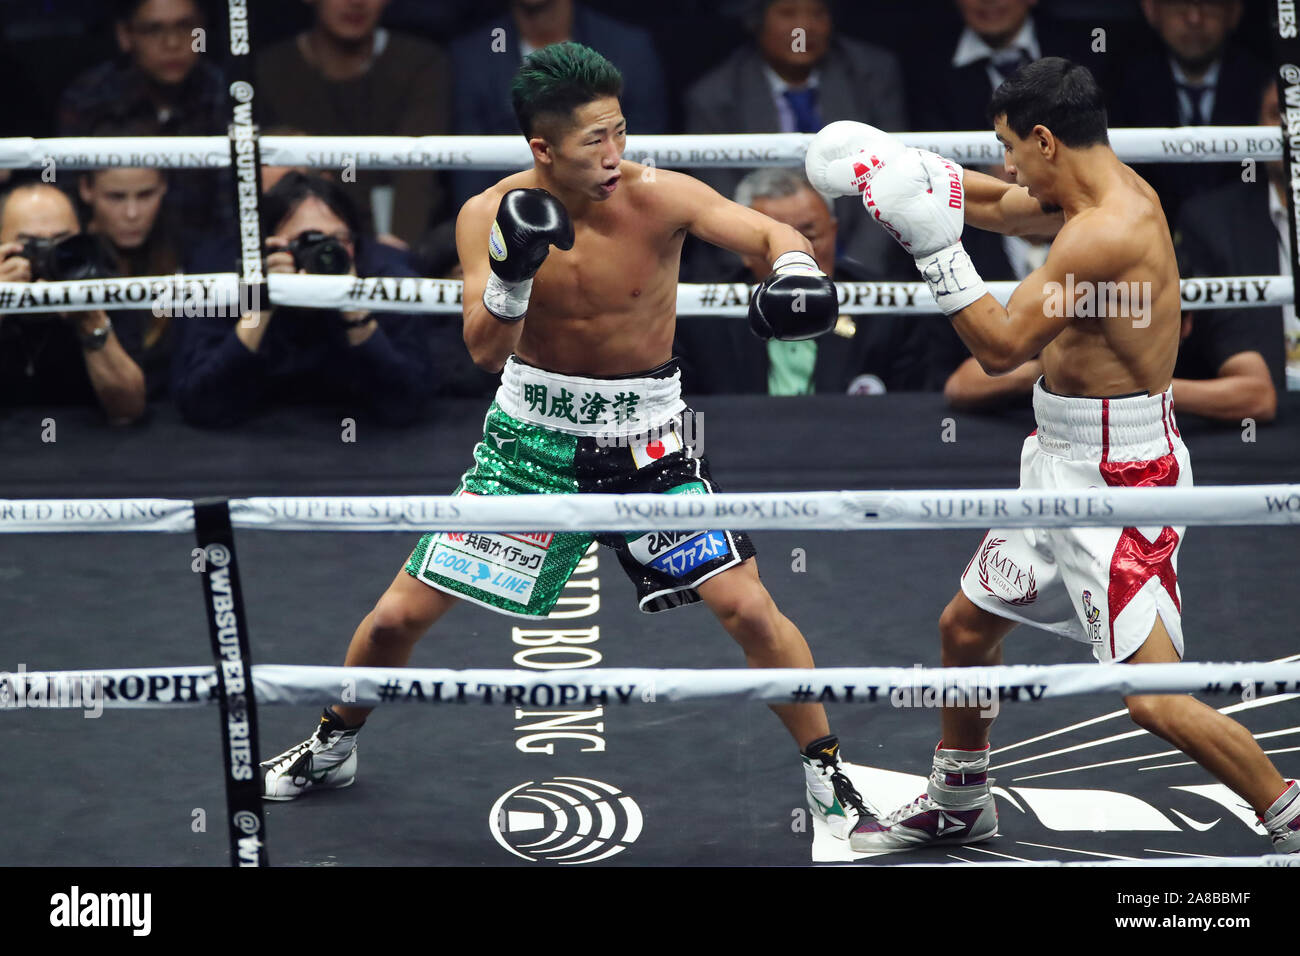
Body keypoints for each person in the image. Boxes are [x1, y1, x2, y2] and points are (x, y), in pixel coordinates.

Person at [260, 41, 875, 842]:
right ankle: (333, 744)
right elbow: (484, 352)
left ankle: (827, 772)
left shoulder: (661, 196)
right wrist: (513, 272)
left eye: (620, 131)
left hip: (650, 443)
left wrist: (794, 272)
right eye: (595, 140)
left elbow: (767, 234)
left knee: (749, 608)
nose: (616, 154)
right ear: (543, 148)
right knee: (391, 622)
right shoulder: (486, 214)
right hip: (531, 441)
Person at [804, 56, 1300, 854]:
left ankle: (1288, 812)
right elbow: (1003, 205)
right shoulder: (1094, 190)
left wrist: (934, 249)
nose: (1004, 164)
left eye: (1008, 146)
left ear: (1044, 139)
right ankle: (961, 800)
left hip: (1121, 484)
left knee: (1154, 698)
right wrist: (908, 166)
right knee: (967, 629)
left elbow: (1001, 347)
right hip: (1061, 459)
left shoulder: (1108, 231)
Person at [173, 172, 433, 428]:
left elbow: (405, 406)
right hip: (252, 440)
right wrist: (260, 303)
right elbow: (202, 405)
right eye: (306, 241)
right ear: (270, 246)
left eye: (338, 240)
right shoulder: (229, 276)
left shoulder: (385, 277)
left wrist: (353, 305)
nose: (325, 252)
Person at [674, 167, 939, 396]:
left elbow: (912, 413)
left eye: (809, 236)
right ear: (742, 249)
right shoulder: (700, 317)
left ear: (833, 233)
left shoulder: (888, 311)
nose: (797, 251)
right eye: (771, 242)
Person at [256, 0, 451, 248]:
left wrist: (398, 253)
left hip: (396, 244)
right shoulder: (271, 69)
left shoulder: (420, 63)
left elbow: (417, 172)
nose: (356, 3)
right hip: (300, 241)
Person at [0, 183, 145, 424]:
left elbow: (128, 410)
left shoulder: (105, 287)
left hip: (86, 442)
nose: (45, 257)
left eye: (62, 242)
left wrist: (92, 322)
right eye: (30, 245)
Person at [79, 164, 178, 401]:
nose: (132, 213)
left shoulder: (186, 252)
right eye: (116, 197)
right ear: (86, 189)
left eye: (145, 195)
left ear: (164, 186)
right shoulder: (70, 259)